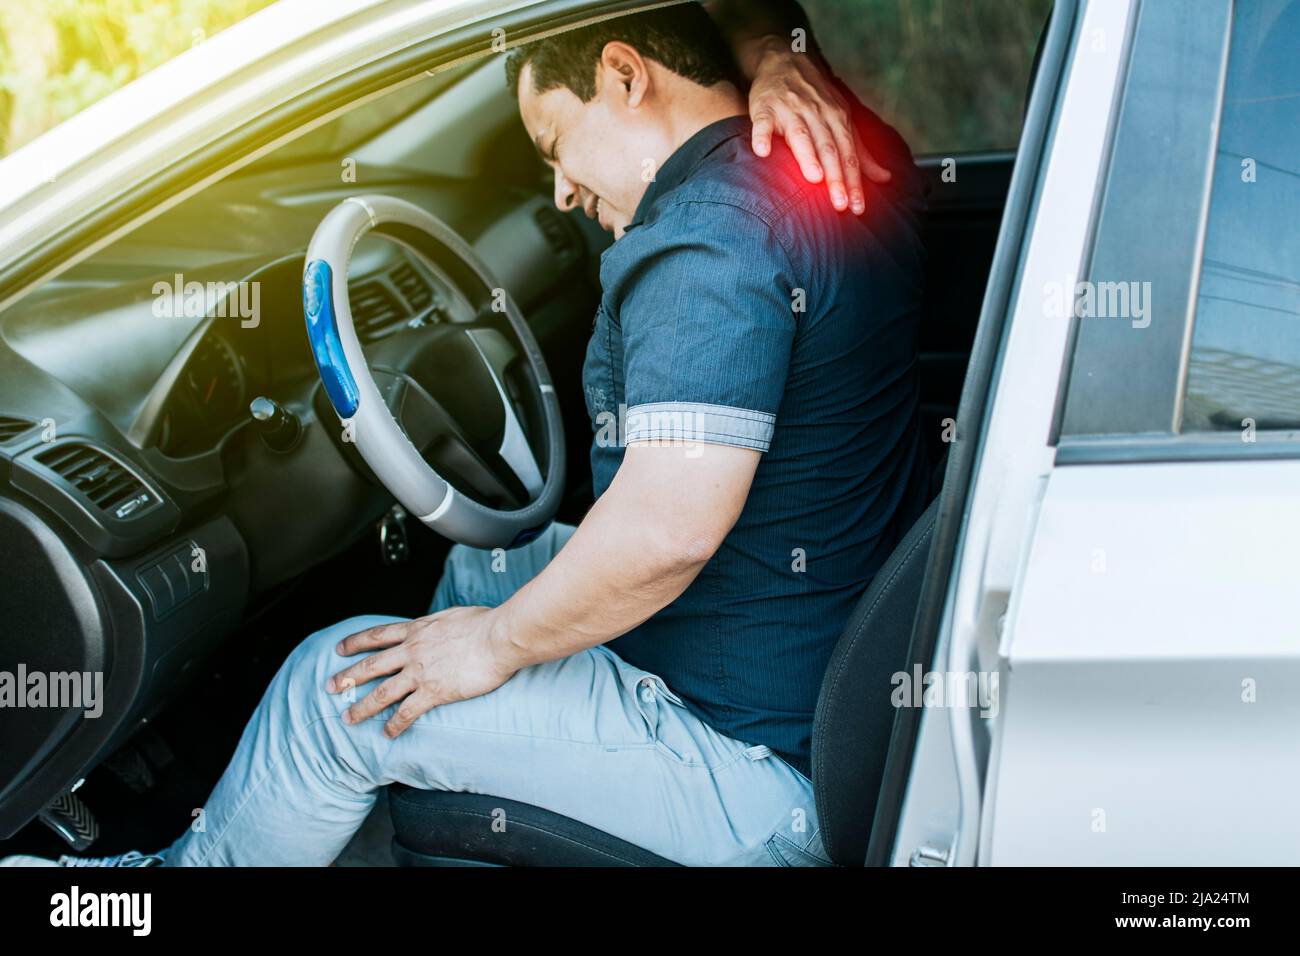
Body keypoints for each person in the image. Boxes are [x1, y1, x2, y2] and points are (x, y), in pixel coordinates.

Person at [5, 0, 930, 868]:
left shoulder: (705, 245)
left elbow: (668, 531)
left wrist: (488, 651)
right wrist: (775, 52)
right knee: (481, 570)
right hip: (815, 671)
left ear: (623, 73)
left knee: (332, 695)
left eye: (554, 144)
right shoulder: (829, 149)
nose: (562, 193)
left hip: (752, 769)